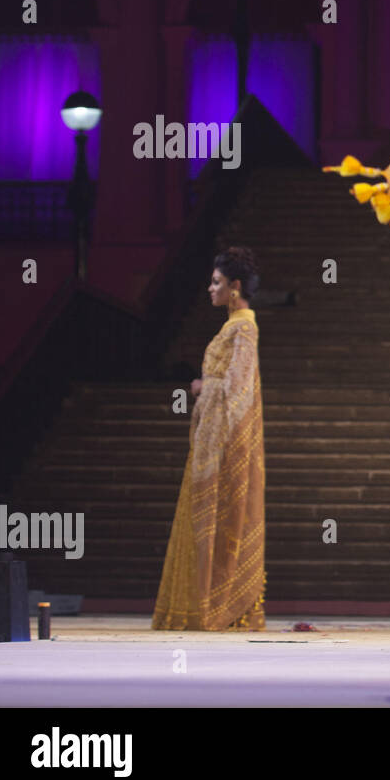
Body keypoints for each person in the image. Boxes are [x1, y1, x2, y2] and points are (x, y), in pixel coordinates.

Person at [152, 246, 266, 631]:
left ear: (234, 287)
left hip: (222, 443)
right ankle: (203, 606)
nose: (209, 288)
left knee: (221, 521)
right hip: (210, 440)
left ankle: (218, 607)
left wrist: (204, 386)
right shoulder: (234, 326)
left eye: (216, 282)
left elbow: (238, 390)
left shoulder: (244, 327)